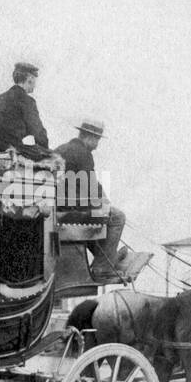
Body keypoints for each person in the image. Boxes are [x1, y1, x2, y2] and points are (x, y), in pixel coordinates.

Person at [53, 119, 126, 281]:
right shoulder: (83, 154)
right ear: (89, 137)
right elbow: (91, 185)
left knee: (100, 216)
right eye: (97, 140)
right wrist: (105, 203)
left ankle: (108, 258)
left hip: (56, 206)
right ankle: (104, 266)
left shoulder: (60, 149)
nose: (97, 145)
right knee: (117, 217)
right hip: (69, 209)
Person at [0, 62, 50, 160]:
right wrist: (45, 147)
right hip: (16, 152)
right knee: (53, 158)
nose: (35, 85)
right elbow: (38, 132)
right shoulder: (27, 101)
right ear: (30, 79)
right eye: (34, 80)